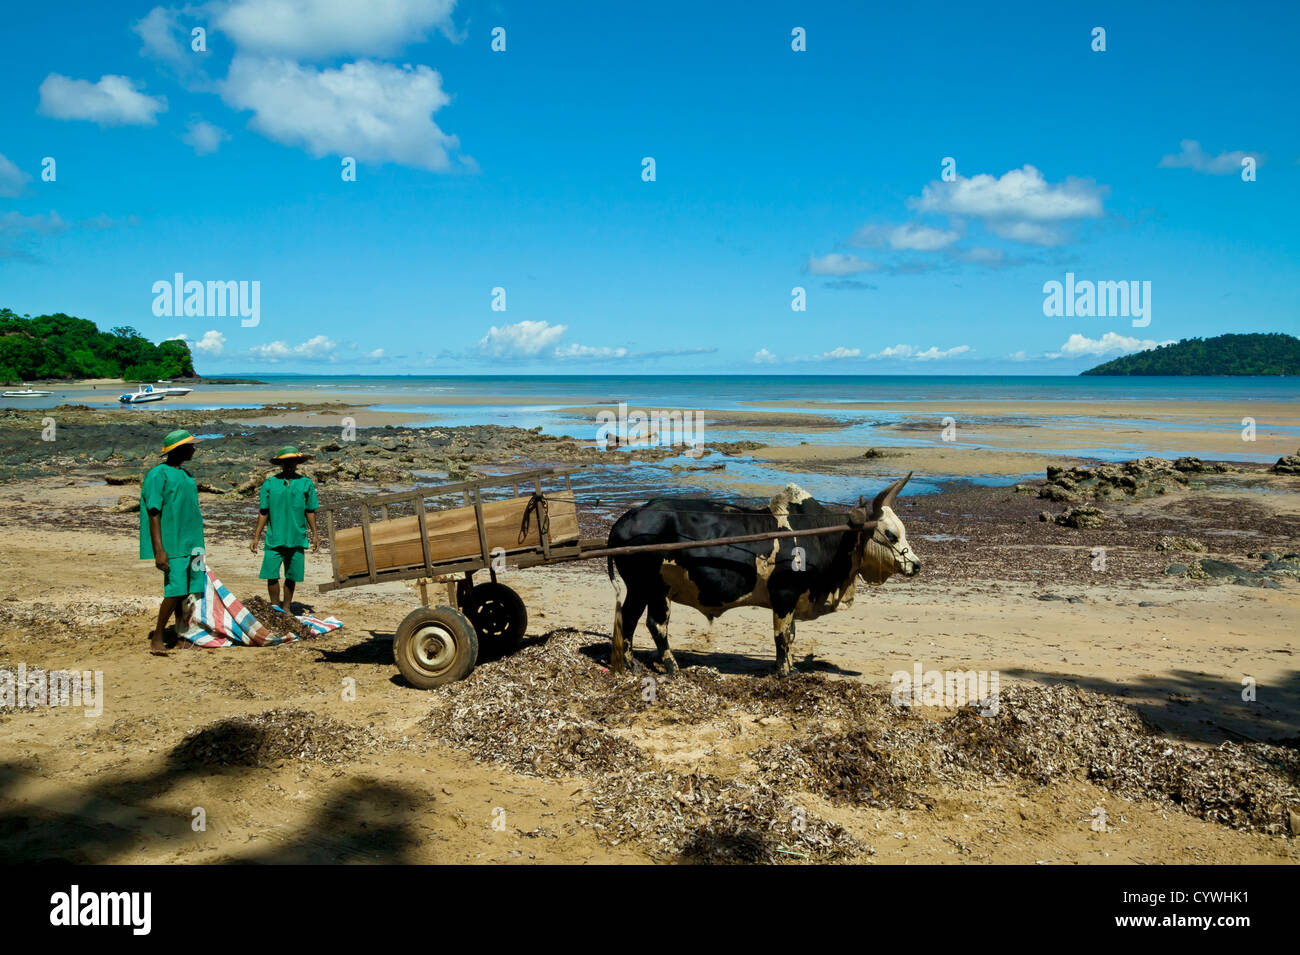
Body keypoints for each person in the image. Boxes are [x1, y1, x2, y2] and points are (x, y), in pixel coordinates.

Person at [140, 429, 205, 656]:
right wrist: (159, 549)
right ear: (179, 449)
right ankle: (157, 636)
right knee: (175, 590)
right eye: (191, 446)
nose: (194, 449)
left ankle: (181, 635)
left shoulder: (187, 475)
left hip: (194, 542)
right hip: (174, 542)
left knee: (191, 591)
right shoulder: (158, 475)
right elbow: (154, 513)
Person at [250, 446, 320, 609]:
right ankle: (275, 607)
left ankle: (286, 607)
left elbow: (310, 511)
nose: (289, 464)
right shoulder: (270, 483)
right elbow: (263, 512)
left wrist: (315, 535)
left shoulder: (306, 483)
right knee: (271, 575)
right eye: (286, 462)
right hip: (274, 537)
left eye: (292, 461)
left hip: (297, 537)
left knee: (292, 575)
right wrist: (256, 537)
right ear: (280, 464)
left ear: (297, 463)